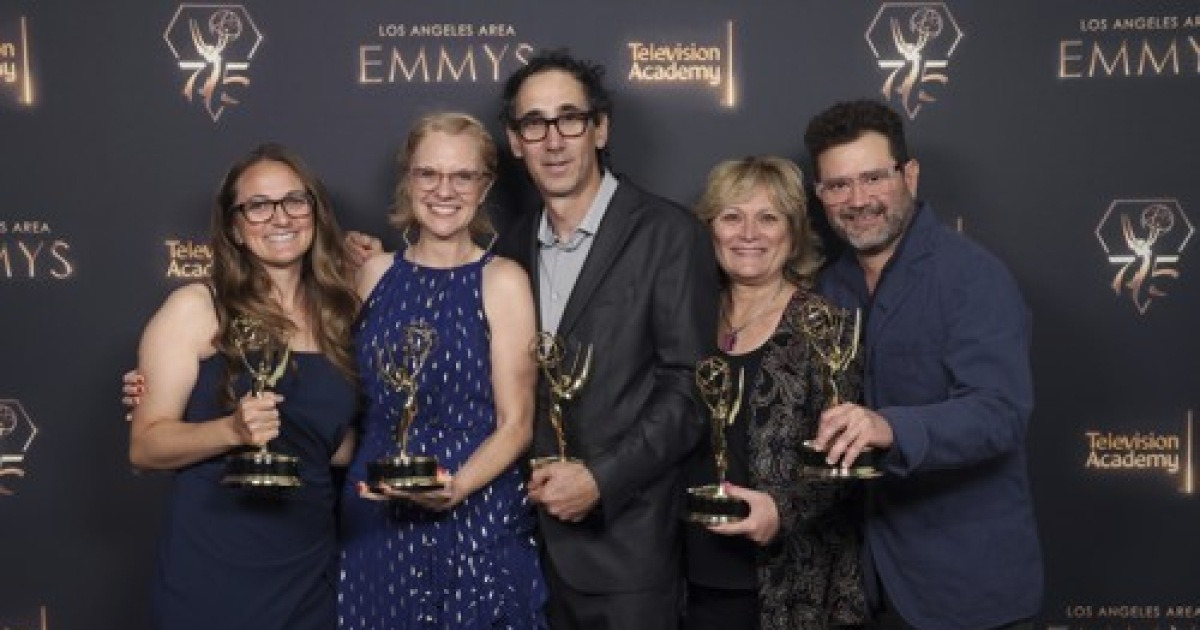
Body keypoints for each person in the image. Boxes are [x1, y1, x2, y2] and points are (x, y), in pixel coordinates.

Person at [495, 49, 718, 629]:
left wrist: (601, 479)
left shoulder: (669, 234)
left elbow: (691, 392)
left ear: (600, 129)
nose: (553, 141)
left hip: (628, 552)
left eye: (570, 119)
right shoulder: (510, 247)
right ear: (515, 141)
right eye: (534, 123)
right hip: (523, 548)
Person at [804, 100, 1042, 630]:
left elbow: (1000, 412)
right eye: (839, 185)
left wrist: (889, 427)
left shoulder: (973, 277)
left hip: (966, 591)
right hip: (862, 588)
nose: (858, 200)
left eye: (873, 178)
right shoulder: (826, 289)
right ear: (820, 195)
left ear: (908, 175)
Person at [128, 143, 360, 629]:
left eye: (295, 201)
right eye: (258, 206)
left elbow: (339, 448)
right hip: (214, 568)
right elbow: (145, 447)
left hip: (310, 569)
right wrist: (229, 430)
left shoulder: (342, 315)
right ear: (234, 227)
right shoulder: (197, 309)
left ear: (315, 212)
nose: (280, 217)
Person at [337, 111, 546, 629]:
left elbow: (517, 423)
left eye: (463, 176)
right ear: (408, 180)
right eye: (428, 173)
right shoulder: (372, 274)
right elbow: (333, 389)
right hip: (376, 519)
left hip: (477, 520)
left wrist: (454, 487)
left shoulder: (503, 281)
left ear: (485, 186)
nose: (444, 190)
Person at [682, 156, 866, 630]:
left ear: (794, 232)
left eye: (768, 217)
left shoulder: (822, 327)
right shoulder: (686, 317)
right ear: (710, 229)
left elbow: (844, 462)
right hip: (686, 575)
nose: (749, 233)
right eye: (731, 217)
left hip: (788, 581)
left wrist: (781, 512)